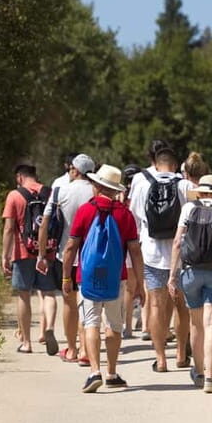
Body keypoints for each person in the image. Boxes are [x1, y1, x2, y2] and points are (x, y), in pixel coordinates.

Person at [61, 164, 145, 393]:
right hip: (116, 277)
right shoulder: (125, 214)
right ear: (115, 190)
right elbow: (135, 251)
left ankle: (94, 371)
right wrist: (140, 283)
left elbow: (71, 247)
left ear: (97, 186)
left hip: (87, 277)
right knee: (114, 325)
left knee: (91, 322)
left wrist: (66, 277)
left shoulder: (85, 211)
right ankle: (112, 372)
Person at [169, 175, 212, 393]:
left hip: (191, 271)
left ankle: (199, 371)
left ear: (199, 192)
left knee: (196, 323)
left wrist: (172, 275)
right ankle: (211, 377)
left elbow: (177, 242)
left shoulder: (188, 209)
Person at [129, 147, 194, 372]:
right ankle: (181, 354)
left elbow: (135, 221)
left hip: (152, 254)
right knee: (181, 305)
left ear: (156, 165)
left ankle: (161, 359)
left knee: (156, 305)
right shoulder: (185, 186)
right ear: (175, 166)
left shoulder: (141, 184)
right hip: (182, 256)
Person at [37, 153, 96, 363]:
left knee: (70, 303)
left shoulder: (60, 191)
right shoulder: (97, 192)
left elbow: (44, 224)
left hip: (67, 255)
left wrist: (41, 254)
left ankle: (71, 349)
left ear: (75, 170)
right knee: (88, 303)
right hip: (93, 255)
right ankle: (86, 350)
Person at [1, 164, 57, 354]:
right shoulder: (49, 193)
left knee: (24, 295)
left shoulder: (14, 196)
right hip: (46, 251)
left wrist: (5, 255)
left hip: (23, 252)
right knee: (48, 293)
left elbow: (9, 228)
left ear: (19, 177)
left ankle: (26, 342)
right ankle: (49, 328)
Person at [128, 140, 171, 341]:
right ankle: (167, 331)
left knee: (150, 292)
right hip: (172, 246)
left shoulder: (140, 179)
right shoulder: (178, 180)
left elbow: (134, 214)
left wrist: (134, 241)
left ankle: (147, 327)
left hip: (149, 242)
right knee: (170, 295)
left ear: (150, 157)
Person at [120, 164, 142, 338]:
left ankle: (127, 326)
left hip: (123, 242)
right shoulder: (141, 192)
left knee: (128, 288)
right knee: (143, 285)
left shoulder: (120, 195)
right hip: (140, 240)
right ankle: (144, 323)